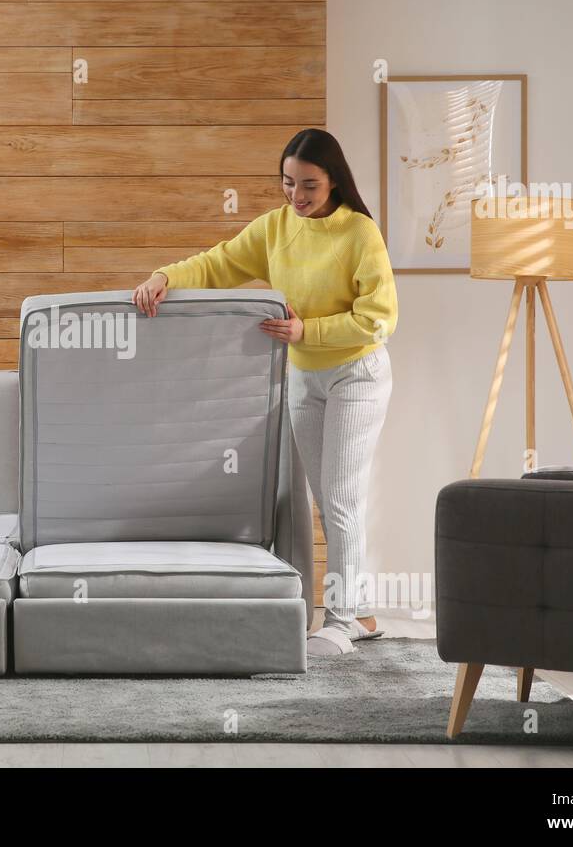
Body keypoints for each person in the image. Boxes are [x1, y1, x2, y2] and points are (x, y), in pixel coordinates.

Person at [131, 128, 398, 655]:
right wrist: (163, 276)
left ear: (334, 182)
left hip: (356, 373)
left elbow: (379, 319)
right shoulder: (276, 228)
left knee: (342, 499)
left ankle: (340, 620)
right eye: (288, 183)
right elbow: (217, 262)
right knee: (326, 500)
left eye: (309, 187)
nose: (296, 197)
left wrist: (308, 332)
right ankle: (362, 612)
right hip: (303, 375)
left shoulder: (360, 234)